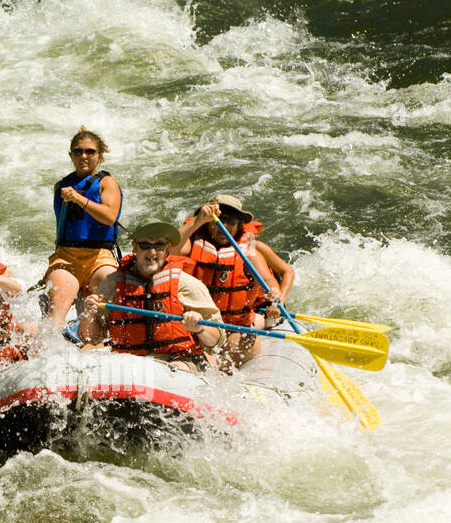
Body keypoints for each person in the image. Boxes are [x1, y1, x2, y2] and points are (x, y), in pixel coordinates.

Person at [78, 222, 224, 372]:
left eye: (159, 245)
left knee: (175, 368)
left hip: (178, 361)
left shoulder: (186, 284)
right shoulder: (112, 284)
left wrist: (200, 328)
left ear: (167, 249)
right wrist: (89, 314)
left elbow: (217, 340)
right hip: (130, 362)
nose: (152, 252)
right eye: (145, 245)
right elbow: (91, 339)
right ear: (134, 247)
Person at [174, 193, 294, 366]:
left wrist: (275, 300)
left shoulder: (250, 251)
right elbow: (171, 250)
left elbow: (268, 282)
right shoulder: (193, 243)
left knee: (236, 348)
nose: (225, 226)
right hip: (200, 321)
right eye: (220, 219)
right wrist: (198, 221)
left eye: (231, 221)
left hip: (236, 323)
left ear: (239, 225)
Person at [44, 127, 123, 330]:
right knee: (57, 309)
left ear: (100, 155)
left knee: (111, 290)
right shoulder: (61, 186)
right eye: (78, 151)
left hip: (99, 256)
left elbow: (109, 217)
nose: (84, 156)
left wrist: (78, 198)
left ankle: (101, 336)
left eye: (90, 152)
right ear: (71, 155)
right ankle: (51, 348)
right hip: (67, 256)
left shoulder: (107, 182)